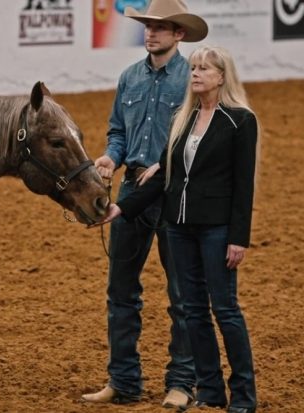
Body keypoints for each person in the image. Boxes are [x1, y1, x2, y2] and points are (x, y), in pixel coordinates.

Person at [99, 45, 259, 413]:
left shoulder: (240, 121)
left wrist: (238, 238)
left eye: (205, 69)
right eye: (195, 68)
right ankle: (211, 392)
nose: (196, 73)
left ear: (222, 77)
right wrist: (120, 208)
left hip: (216, 229)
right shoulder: (183, 120)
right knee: (195, 310)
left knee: (225, 310)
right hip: (180, 228)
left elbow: (243, 186)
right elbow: (165, 178)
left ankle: (244, 396)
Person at [82, 0, 208, 409]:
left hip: (177, 194)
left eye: (161, 27)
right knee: (120, 291)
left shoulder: (192, 82)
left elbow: (198, 140)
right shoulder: (129, 78)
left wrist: (164, 164)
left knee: (183, 294)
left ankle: (182, 383)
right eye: (148, 27)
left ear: (179, 34)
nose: (150, 33)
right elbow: (118, 130)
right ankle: (123, 380)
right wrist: (111, 157)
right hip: (134, 189)